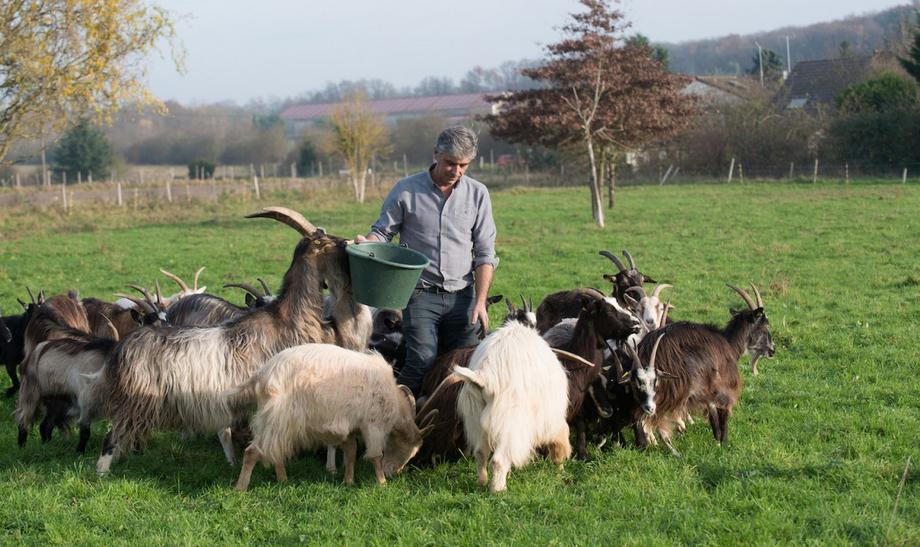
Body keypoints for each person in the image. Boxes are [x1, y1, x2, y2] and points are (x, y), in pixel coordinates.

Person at [355, 126, 498, 395]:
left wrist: (480, 302)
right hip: (420, 295)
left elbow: (485, 252)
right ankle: (395, 422)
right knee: (421, 360)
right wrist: (366, 244)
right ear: (436, 154)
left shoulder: (478, 194)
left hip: (463, 297)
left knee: (466, 364)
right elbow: (384, 232)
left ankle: (450, 427)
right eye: (451, 163)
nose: (457, 171)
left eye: (464, 165)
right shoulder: (406, 191)